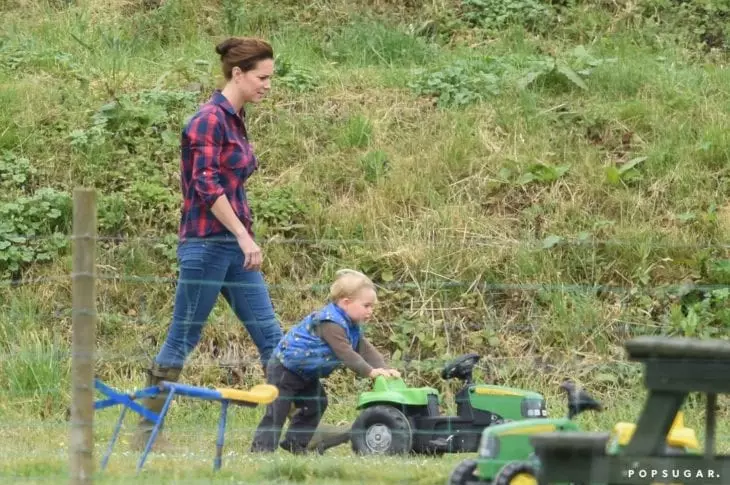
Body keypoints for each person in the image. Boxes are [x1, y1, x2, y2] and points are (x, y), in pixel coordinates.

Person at [133, 36, 284, 450]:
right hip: (206, 244)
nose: (268, 85)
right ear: (237, 73)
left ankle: (273, 440)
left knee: (272, 338)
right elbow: (205, 185)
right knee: (183, 336)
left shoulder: (235, 119)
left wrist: (242, 237)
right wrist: (241, 234)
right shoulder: (208, 120)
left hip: (234, 247)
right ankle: (147, 430)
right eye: (262, 77)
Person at [250, 269, 401, 454]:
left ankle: (295, 442)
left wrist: (384, 369)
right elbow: (345, 353)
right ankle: (261, 450)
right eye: (367, 305)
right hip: (285, 369)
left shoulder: (351, 325)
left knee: (317, 403)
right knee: (277, 412)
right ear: (346, 302)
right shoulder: (330, 323)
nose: (371, 311)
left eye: (372, 306)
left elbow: (364, 349)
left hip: (305, 373)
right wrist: (370, 371)